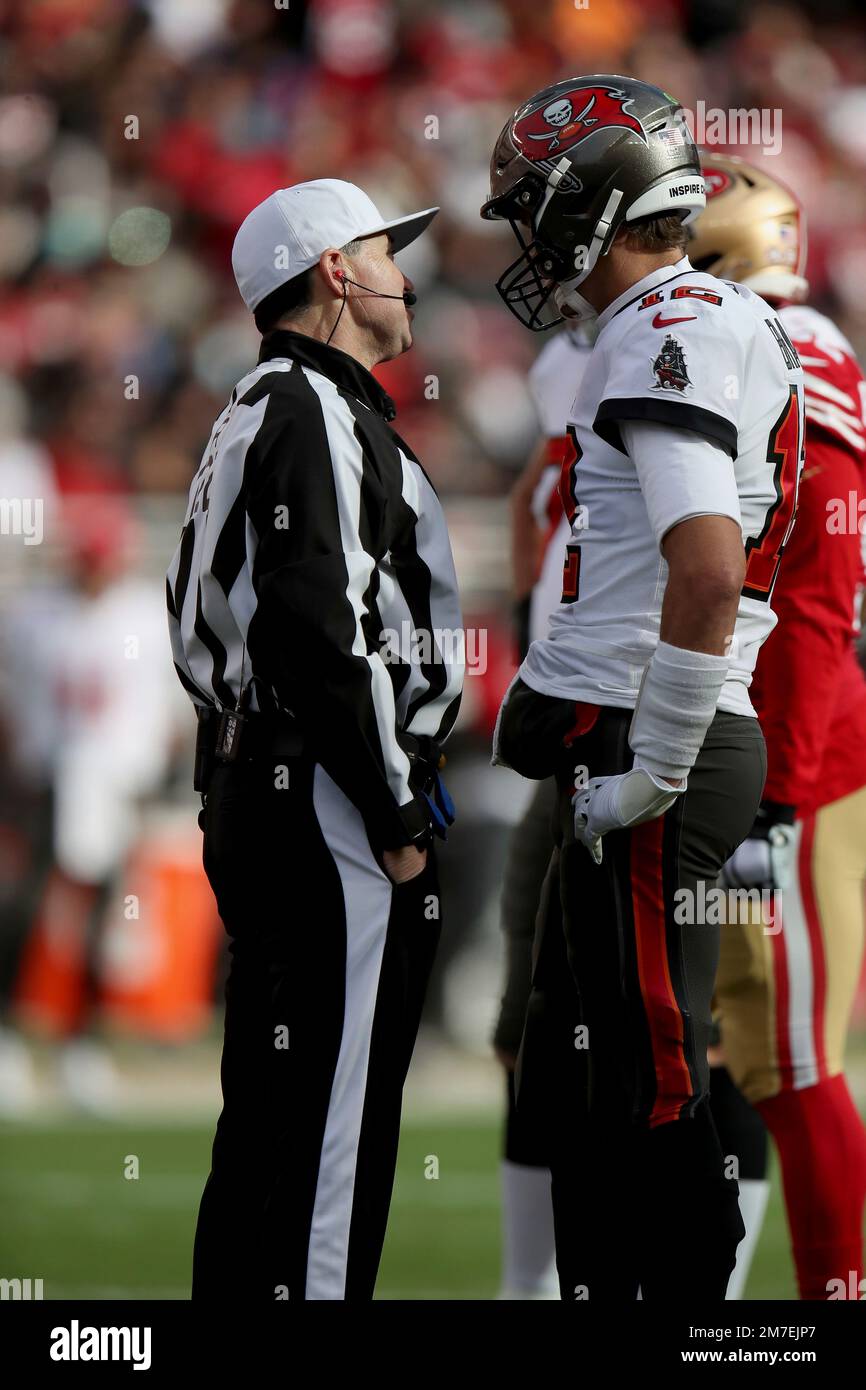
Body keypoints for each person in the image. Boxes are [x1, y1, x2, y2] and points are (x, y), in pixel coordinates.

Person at [481, 75, 804, 1299]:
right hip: (623, 724)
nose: (525, 234)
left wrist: (653, 764)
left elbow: (707, 572)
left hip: (650, 732)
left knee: (648, 1074)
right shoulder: (666, 317)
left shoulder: (672, 321)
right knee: (587, 1072)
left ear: (593, 203)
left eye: (535, 205)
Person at [166, 179, 464, 1301]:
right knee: (331, 1138)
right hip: (329, 797)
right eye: (386, 252)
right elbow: (317, 622)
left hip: (270, 782)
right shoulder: (307, 406)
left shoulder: (259, 406)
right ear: (336, 271)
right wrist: (396, 811)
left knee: (267, 1126)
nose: (405, 276)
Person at [690, 153, 866, 1301]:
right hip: (764, 745)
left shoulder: (779, 354)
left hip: (792, 758)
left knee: (791, 1060)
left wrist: (775, 793)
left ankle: (833, 1300)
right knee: (742, 1052)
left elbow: (813, 592)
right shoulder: (792, 341)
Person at [494, 320, 594, 1300]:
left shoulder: (686, 350)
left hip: (639, 740)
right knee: (526, 1028)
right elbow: (532, 505)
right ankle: (525, 1285)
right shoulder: (569, 363)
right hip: (561, 751)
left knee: (678, 1046)